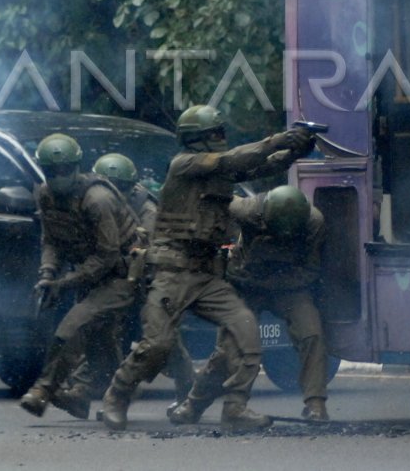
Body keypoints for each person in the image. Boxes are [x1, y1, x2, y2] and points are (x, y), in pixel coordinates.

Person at [99, 106, 315, 432]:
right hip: (172, 270)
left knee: (244, 334)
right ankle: (116, 397)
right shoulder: (185, 164)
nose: (221, 139)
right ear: (197, 139)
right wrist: (278, 140)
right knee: (156, 345)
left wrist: (293, 152)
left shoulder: (217, 172)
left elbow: (257, 166)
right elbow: (234, 160)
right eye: (215, 133)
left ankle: (235, 407)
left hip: (205, 273)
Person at [170, 184, 330, 424]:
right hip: (247, 284)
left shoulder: (314, 222)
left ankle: (315, 404)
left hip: (288, 287)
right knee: (230, 348)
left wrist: (278, 281)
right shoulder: (244, 209)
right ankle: (195, 404)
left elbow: (311, 270)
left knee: (312, 334)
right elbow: (212, 200)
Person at [54, 153, 195, 409]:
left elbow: (150, 253)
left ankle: (189, 392)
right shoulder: (91, 202)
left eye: (120, 188)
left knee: (164, 341)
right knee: (101, 333)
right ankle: (86, 391)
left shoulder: (147, 210)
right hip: (115, 280)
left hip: (149, 281)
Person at [18, 134, 142, 421]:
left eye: (65, 170)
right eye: (52, 171)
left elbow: (108, 256)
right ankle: (110, 394)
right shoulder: (46, 195)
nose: (59, 177)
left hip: (123, 275)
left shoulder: (97, 199)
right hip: (92, 276)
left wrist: (65, 283)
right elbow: (51, 240)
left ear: (76, 168)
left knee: (71, 327)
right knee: (101, 345)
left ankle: (42, 391)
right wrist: (48, 273)